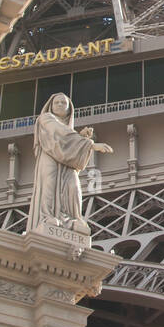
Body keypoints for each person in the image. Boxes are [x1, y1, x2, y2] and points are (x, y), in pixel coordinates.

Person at [28, 92, 113, 236]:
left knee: (73, 186)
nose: (60, 105)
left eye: (64, 103)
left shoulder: (70, 132)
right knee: (50, 183)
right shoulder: (45, 118)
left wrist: (80, 138)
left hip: (67, 162)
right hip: (49, 156)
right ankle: (47, 215)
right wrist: (91, 145)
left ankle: (73, 219)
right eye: (57, 103)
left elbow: (67, 142)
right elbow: (59, 132)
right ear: (51, 106)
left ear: (69, 109)